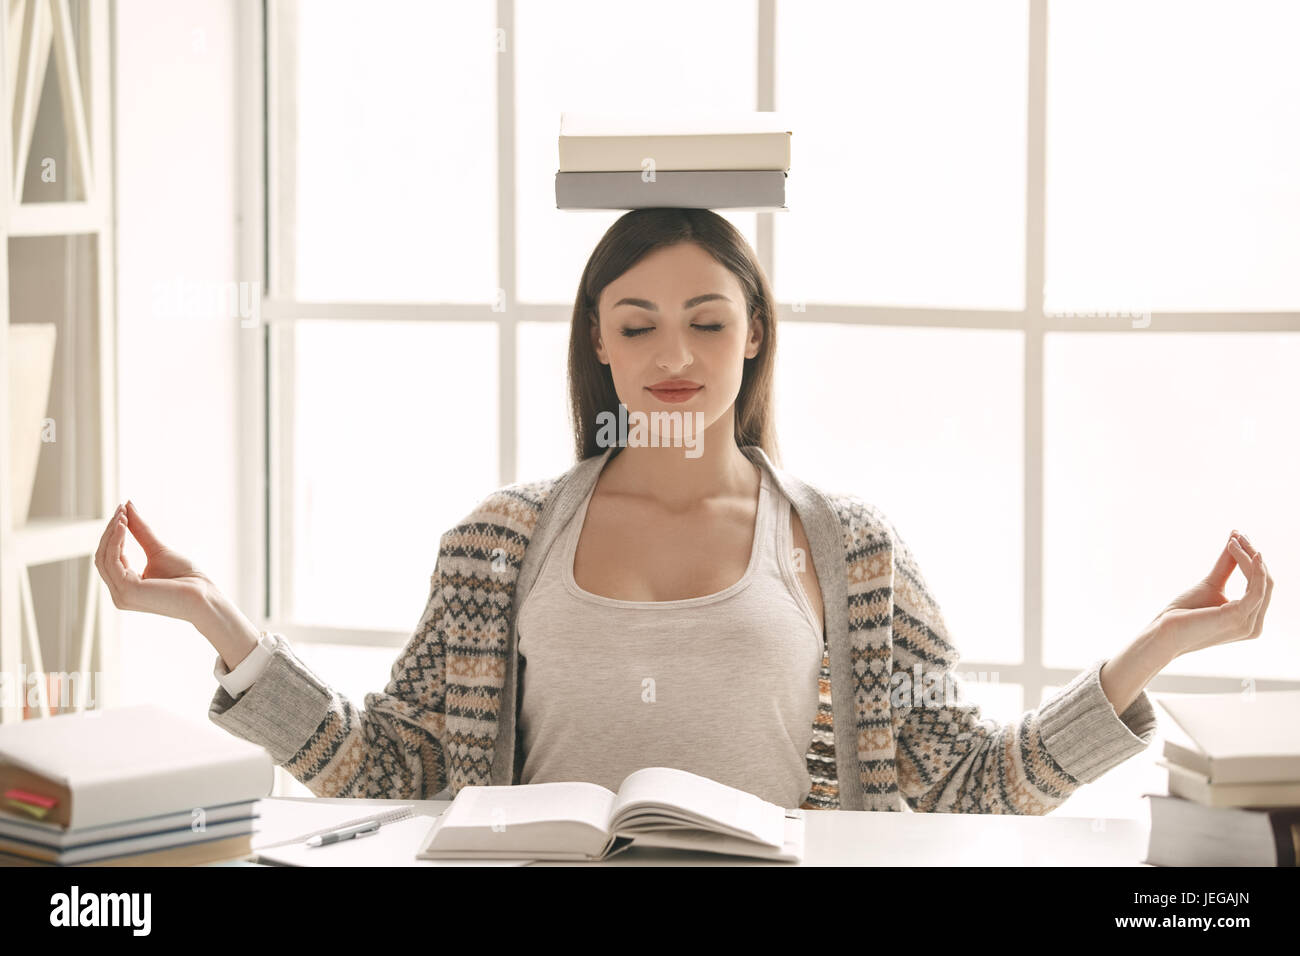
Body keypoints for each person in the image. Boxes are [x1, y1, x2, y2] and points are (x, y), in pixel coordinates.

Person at [93, 208, 1275, 813]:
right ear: (597, 343)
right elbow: (395, 767)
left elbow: (965, 780)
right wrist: (222, 627)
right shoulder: (497, 543)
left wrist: (1146, 656)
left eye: (708, 320)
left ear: (753, 336)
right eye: (639, 321)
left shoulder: (849, 549)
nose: (676, 353)